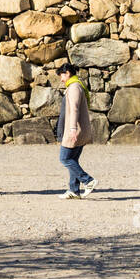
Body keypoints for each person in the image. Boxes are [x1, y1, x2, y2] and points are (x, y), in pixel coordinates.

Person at [55, 63, 95, 199]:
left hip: (75, 130)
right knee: (73, 159)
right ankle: (74, 190)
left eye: (61, 75)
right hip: (78, 129)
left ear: (67, 73)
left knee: (65, 158)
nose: (61, 79)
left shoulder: (74, 88)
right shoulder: (76, 86)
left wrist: (72, 129)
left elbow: (74, 109)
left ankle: (88, 181)